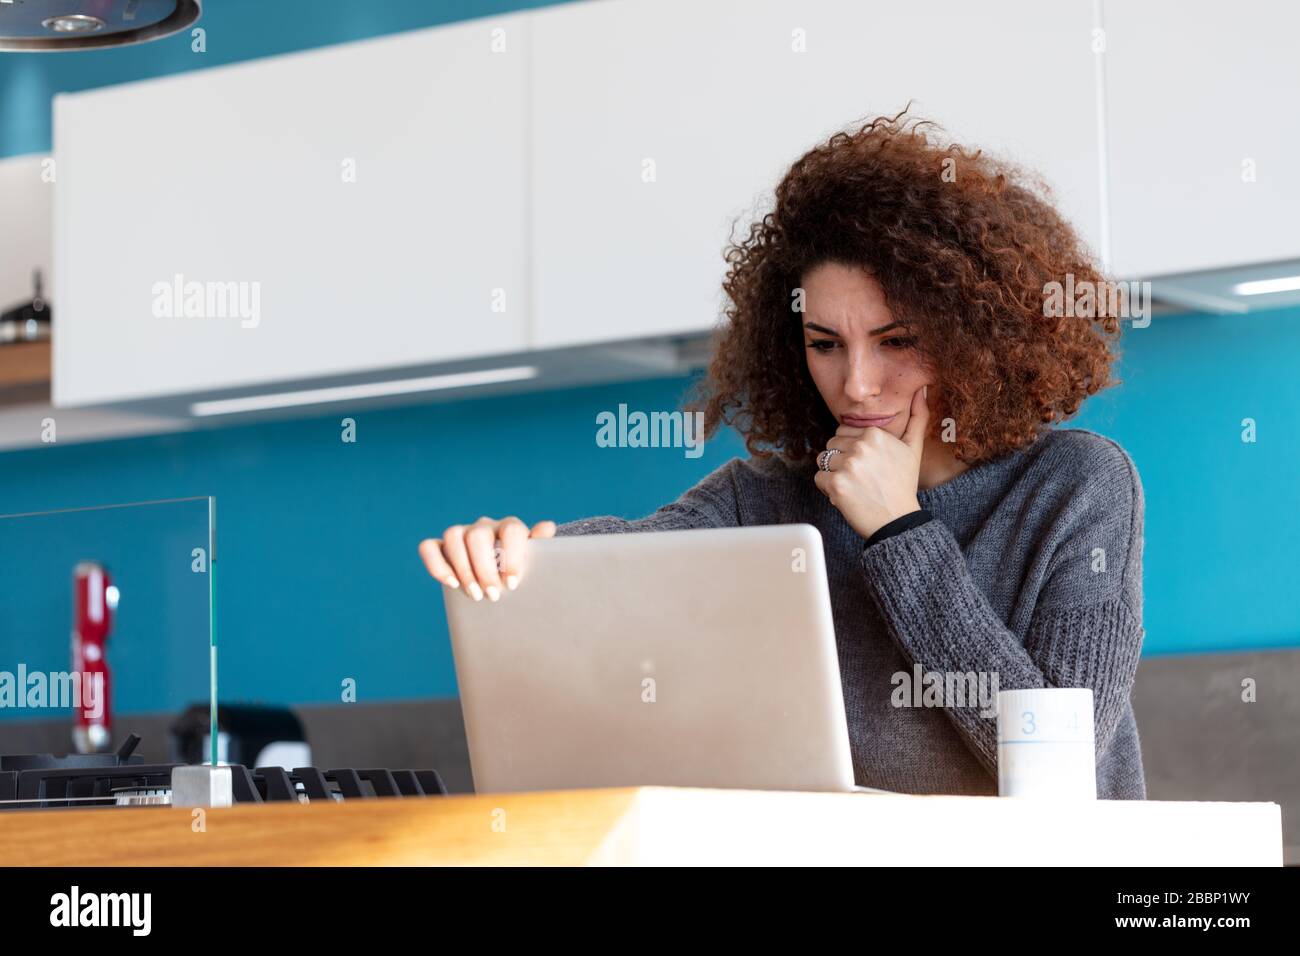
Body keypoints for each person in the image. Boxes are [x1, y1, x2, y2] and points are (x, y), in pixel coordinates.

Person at [418, 108, 1147, 798]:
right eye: (824, 345)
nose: (856, 383)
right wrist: (519, 557)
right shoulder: (761, 499)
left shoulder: (1079, 484)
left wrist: (898, 530)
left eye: (896, 341)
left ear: (975, 337)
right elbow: (630, 558)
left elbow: (1059, 769)